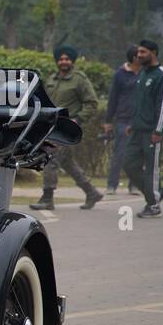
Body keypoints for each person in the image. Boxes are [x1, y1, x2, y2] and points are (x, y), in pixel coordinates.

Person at [32, 44, 102, 211]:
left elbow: (91, 103)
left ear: (72, 61)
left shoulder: (79, 79)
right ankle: (91, 192)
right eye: (61, 59)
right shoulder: (51, 79)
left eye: (67, 59)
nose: (64, 61)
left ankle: (47, 198)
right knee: (68, 163)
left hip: (66, 128)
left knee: (50, 159)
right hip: (50, 127)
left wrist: (78, 119)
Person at [124, 39, 163, 218]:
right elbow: (138, 103)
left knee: (151, 169)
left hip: (152, 132)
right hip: (136, 130)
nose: (139, 55)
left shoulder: (162, 74)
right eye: (138, 52)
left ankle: (153, 205)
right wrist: (131, 123)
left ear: (153, 52)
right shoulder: (143, 74)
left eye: (143, 52)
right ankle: (158, 192)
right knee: (129, 164)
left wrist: (158, 130)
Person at [104, 45, 141, 195]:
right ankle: (112, 185)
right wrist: (108, 120)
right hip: (123, 119)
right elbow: (113, 97)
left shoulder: (145, 73)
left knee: (138, 154)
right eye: (139, 55)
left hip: (140, 120)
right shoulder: (120, 74)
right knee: (120, 153)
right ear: (133, 58)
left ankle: (134, 185)